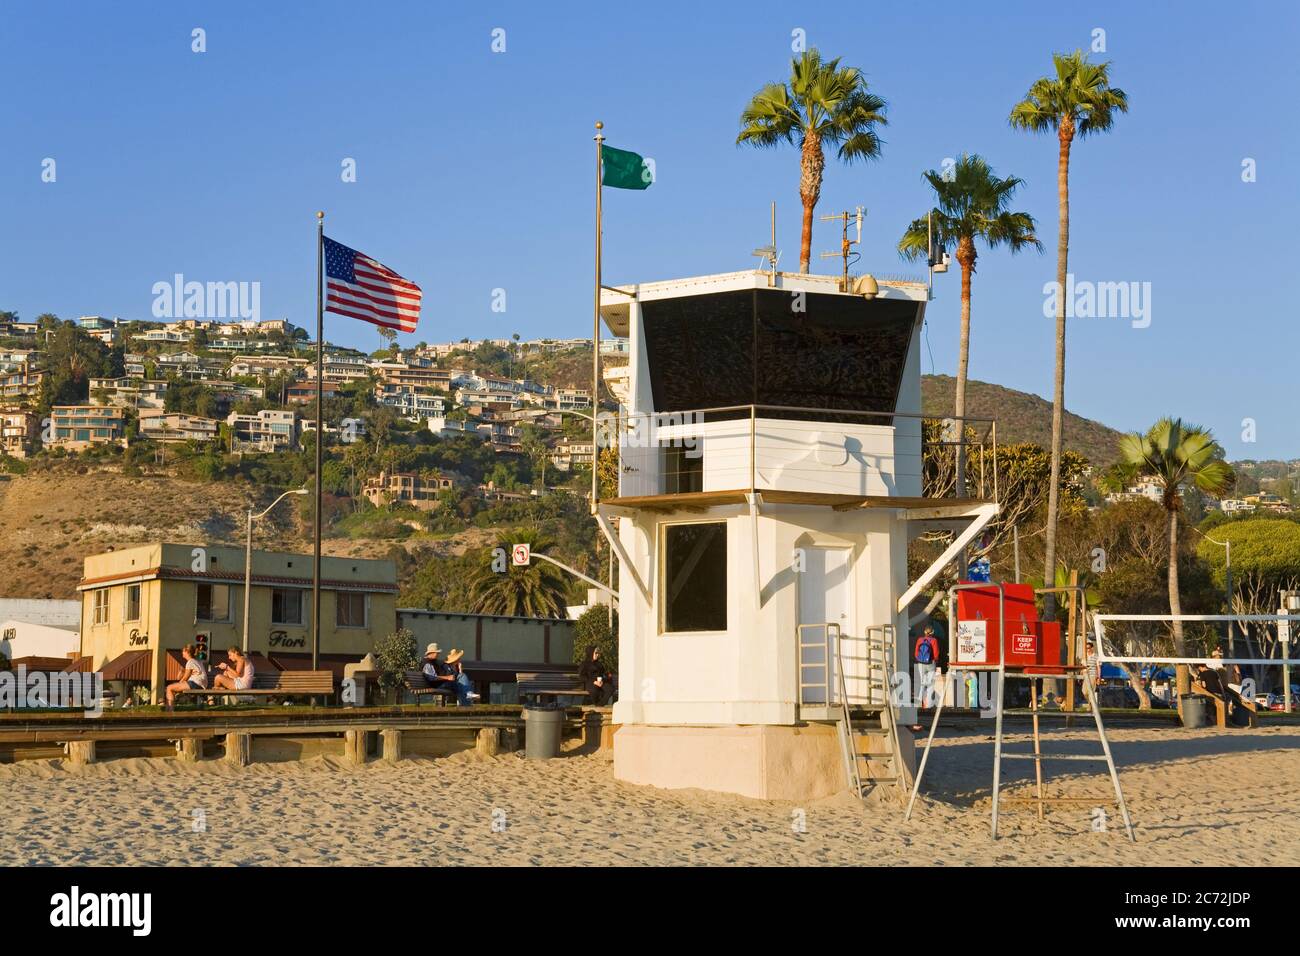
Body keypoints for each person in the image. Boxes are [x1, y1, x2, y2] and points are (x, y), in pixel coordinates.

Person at [164, 644, 208, 710]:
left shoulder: (190, 662)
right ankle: (169, 709)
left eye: (183, 651)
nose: (182, 653)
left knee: (169, 688)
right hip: (201, 684)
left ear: (187, 652)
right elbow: (182, 677)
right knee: (172, 688)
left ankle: (170, 712)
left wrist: (178, 684)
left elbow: (185, 678)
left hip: (195, 684)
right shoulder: (197, 661)